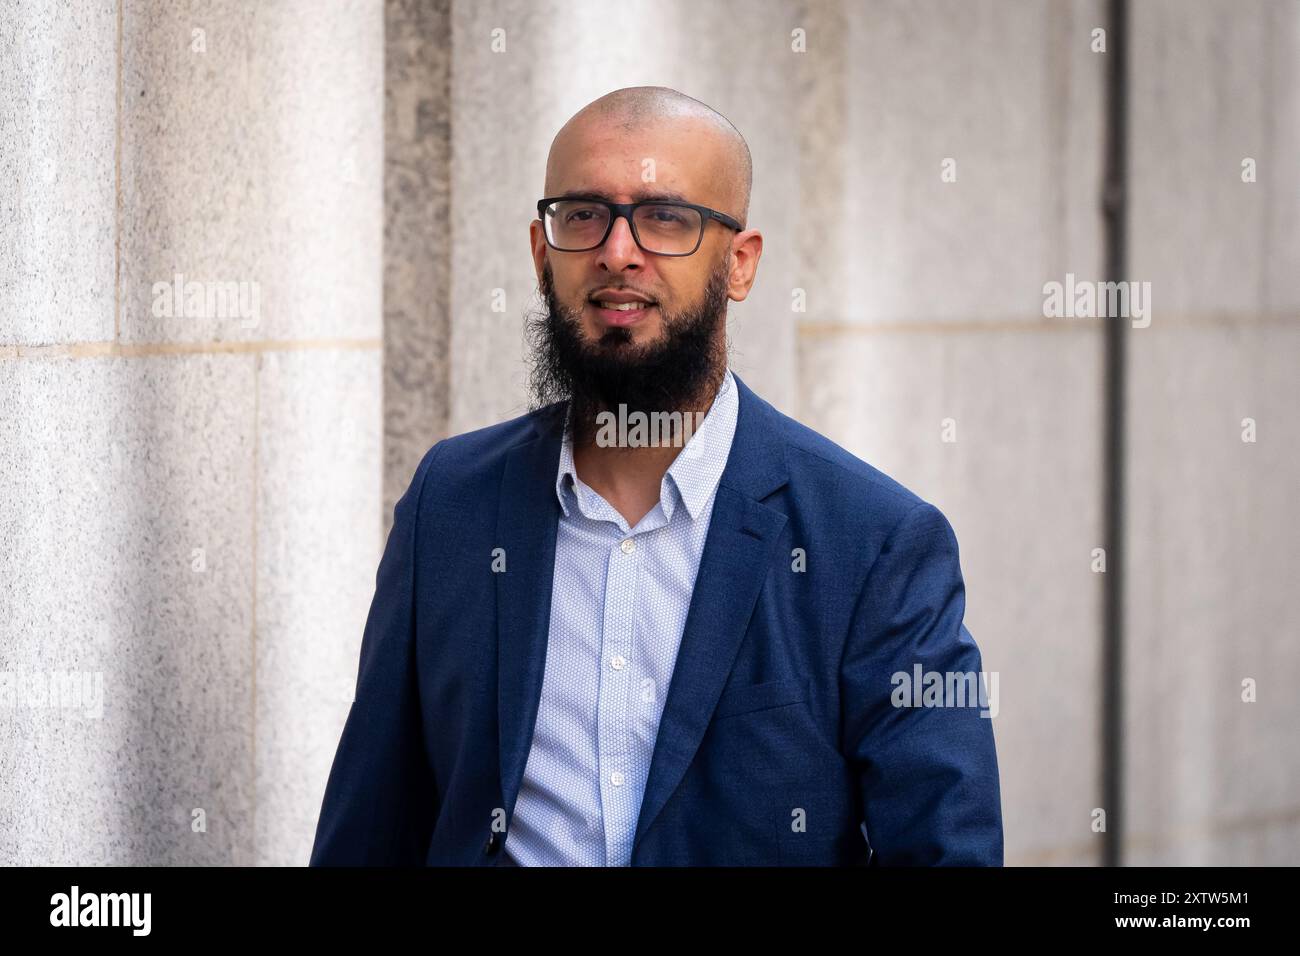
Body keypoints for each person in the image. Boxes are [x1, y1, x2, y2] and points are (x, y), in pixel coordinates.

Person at [310, 86, 1003, 867]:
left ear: (739, 264)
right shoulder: (453, 501)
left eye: (666, 217)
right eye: (583, 215)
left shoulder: (871, 543)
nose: (617, 251)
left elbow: (946, 851)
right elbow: (370, 825)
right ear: (543, 258)